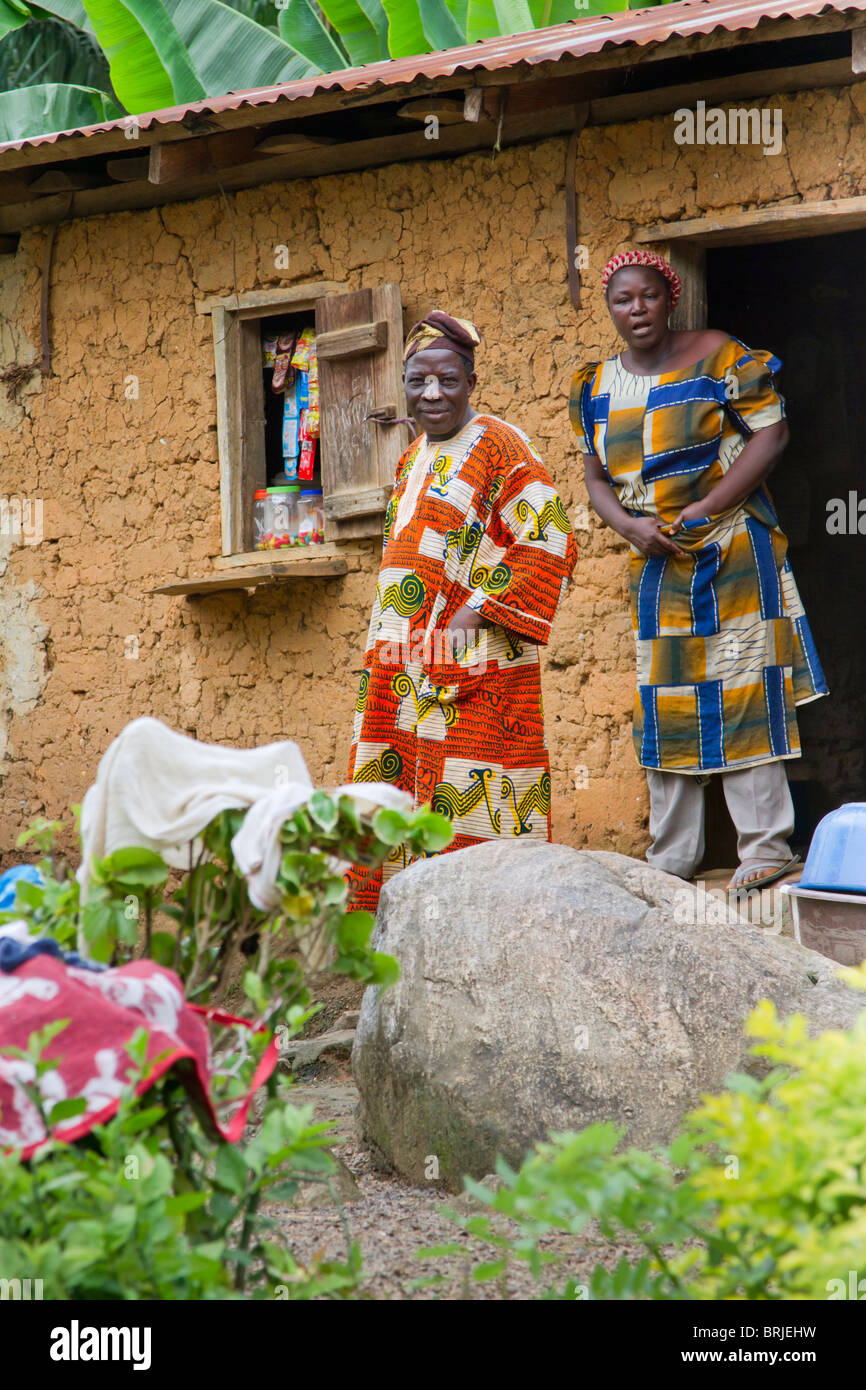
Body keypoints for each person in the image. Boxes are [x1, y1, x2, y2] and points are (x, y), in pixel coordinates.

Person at [569, 250, 828, 892]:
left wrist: (709, 506)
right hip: (656, 562)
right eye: (622, 300)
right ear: (611, 309)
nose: (636, 310)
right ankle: (672, 861)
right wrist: (630, 527)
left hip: (733, 549)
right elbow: (596, 478)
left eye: (648, 297)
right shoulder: (596, 387)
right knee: (665, 700)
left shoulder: (719, 356)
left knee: (745, 685)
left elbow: (772, 433)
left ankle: (765, 850)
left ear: (670, 299)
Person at [346, 310, 578, 911]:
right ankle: (407, 929)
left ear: (471, 382)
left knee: (480, 791)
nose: (432, 394)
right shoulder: (411, 459)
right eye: (419, 380)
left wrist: (472, 616)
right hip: (402, 662)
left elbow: (549, 537)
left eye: (448, 380)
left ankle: (489, 928)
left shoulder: (502, 444)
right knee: (393, 793)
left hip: (478, 661)